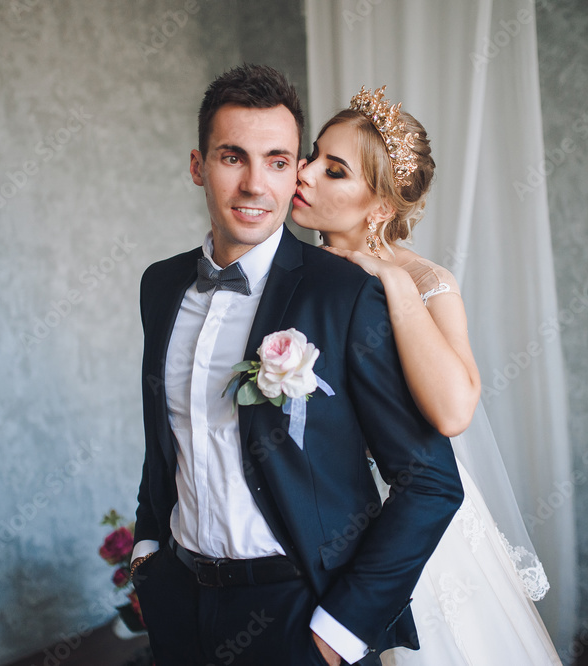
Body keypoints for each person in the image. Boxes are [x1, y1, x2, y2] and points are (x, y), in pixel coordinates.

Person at [130, 65, 463, 666]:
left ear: (293, 173)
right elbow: (166, 435)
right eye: (233, 158)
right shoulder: (160, 286)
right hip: (179, 605)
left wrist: (337, 634)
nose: (255, 185)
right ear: (198, 167)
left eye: (278, 161)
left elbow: (431, 482)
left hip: (298, 615)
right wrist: (147, 550)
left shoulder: (348, 294)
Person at [291, 85, 563, 665]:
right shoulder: (295, 274)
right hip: (320, 511)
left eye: (333, 171)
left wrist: (390, 281)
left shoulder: (426, 281)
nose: (304, 174)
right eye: (313, 155)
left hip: (409, 513)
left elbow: (453, 410)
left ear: (381, 208)